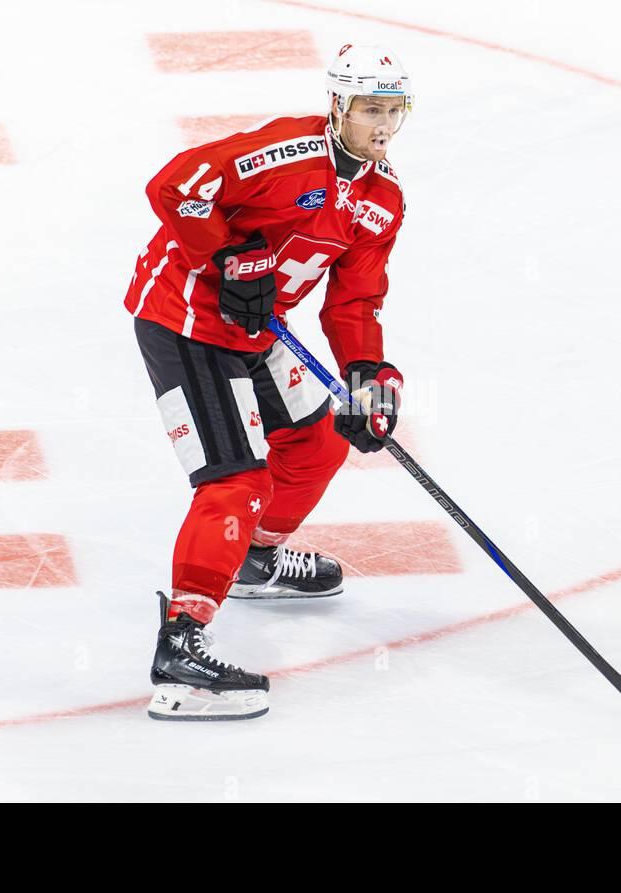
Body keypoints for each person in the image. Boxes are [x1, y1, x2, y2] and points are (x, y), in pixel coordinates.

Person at [123, 44, 413, 720]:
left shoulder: (383, 198)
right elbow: (176, 186)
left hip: (260, 330)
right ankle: (181, 651)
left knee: (317, 445)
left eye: (394, 110)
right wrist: (224, 254)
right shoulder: (282, 151)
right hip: (186, 319)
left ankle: (251, 560)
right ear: (338, 103)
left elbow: (353, 302)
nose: (383, 123)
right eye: (372, 107)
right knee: (235, 482)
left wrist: (367, 375)